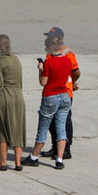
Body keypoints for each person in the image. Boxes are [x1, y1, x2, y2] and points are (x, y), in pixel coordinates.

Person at [25, 35, 79, 169]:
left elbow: (43, 82)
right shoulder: (67, 60)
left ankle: (34, 157)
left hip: (51, 96)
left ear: (50, 48)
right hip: (65, 95)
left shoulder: (49, 62)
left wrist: (40, 70)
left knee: (43, 128)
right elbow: (71, 75)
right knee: (61, 128)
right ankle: (59, 159)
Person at [0, 34, 26, 171]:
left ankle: (3, 162)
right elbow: (20, 81)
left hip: (5, 96)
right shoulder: (16, 60)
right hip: (18, 96)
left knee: (2, 130)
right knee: (18, 129)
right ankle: (18, 163)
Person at [42, 27, 79, 160]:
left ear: (59, 39)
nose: (48, 39)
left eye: (52, 37)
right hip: (52, 91)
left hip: (64, 93)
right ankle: (55, 147)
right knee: (52, 122)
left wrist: (70, 82)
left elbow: (76, 72)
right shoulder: (50, 52)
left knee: (64, 121)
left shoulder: (68, 54)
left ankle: (66, 149)